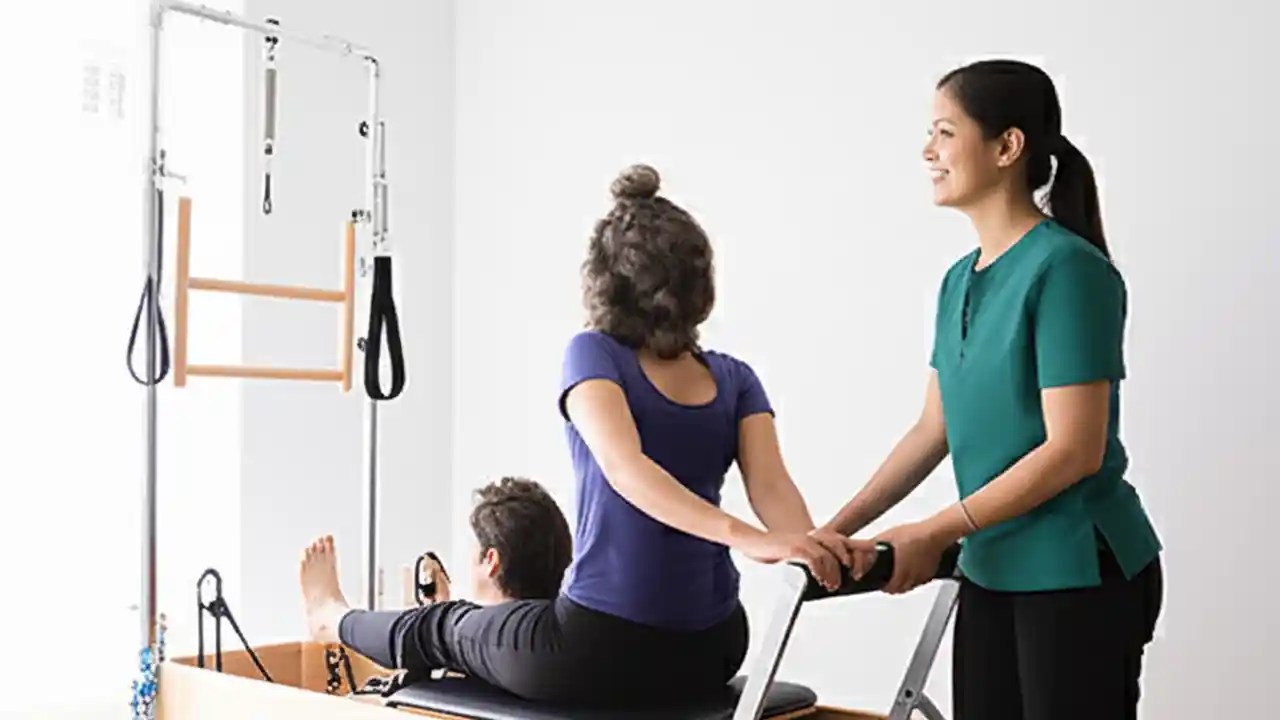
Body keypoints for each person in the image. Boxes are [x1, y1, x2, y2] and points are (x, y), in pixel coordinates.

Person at [302, 165, 863, 707]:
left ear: (607, 282)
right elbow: (751, 486)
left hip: (598, 651)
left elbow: (638, 471)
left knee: (444, 625)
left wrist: (810, 546)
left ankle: (332, 618)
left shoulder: (594, 354)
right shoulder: (731, 378)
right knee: (500, 623)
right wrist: (775, 538)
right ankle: (461, 631)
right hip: (713, 648)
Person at [823, 59, 1165, 720]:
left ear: (1007, 146)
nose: (928, 151)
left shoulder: (1068, 270)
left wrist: (933, 530)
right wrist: (833, 534)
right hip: (991, 565)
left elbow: (1074, 451)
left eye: (945, 132)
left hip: (1076, 569)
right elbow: (933, 430)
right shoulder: (958, 280)